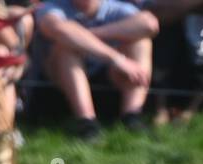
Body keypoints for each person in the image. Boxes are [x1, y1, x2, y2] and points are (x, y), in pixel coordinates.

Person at [34, 0, 159, 139]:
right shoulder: (52, 7)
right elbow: (57, 28)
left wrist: (86, 36)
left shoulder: (115, 8)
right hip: (59, 84)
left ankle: (132, 115)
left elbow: (149, 24)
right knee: (65, 48)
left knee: (141, 42)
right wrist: (117, 59)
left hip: (108, 77)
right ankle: (86, 122)